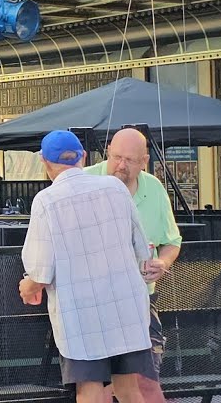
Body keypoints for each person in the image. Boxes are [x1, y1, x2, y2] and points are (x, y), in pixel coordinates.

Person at [20, 130, 153, 403]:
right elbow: (142, 248)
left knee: (89, 391)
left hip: (80, 317)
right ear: (82, 157)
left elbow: (40, 271)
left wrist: (27, 288)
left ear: (44, 162)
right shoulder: (115, 188)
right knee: (129, 390)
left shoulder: (46, 200)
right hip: (125, 308)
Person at [87, 128, 180, 403]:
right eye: (116, 157)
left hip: (140, 300)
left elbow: (172, 241)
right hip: (95, 301)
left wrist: (162, 262)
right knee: (99, 388)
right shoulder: (85, 181)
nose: (120, 165)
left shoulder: (154, 188)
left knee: (147, 383)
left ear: (144, 161)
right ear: (107, 152)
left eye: (129, 160)